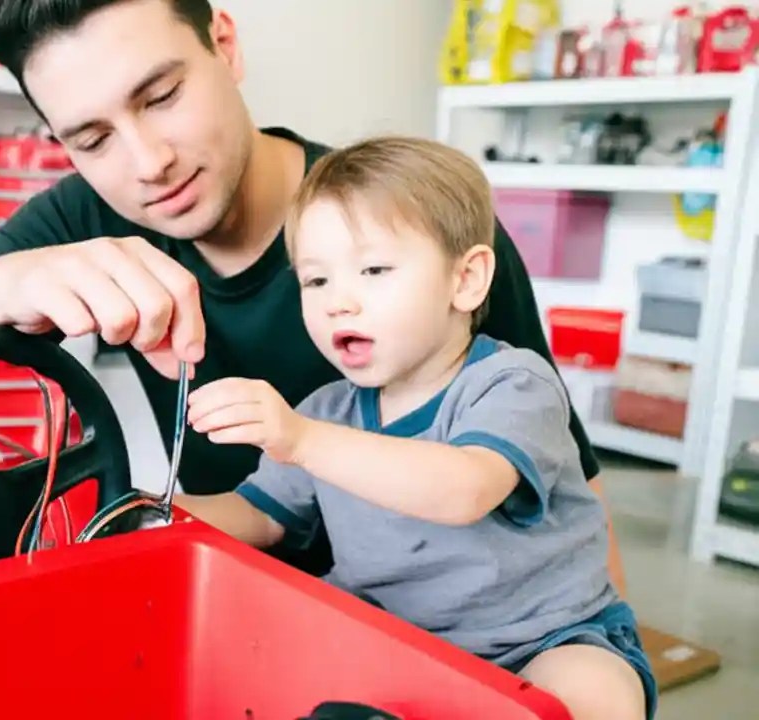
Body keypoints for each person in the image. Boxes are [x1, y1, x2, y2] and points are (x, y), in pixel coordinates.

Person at [0, 0, 625, 585]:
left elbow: (571, 486)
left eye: (161, 96)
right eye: (91, 139)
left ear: (224, 45)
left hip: (462, 612)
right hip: (246, 592)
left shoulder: (411, 236)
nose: (147, 161)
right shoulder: (90, 215)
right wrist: (5, 280)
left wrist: (593, 651)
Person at [175, 135, 656, 720]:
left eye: (374, 269)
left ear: (467, 280)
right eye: (316, 280)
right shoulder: (327, 412)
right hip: (394, 645)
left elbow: (462, 489)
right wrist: (152, 512)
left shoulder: (510, 384)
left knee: (596, 695)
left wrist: (299, 441)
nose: (337, 303)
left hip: (544, 638)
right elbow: (259, 516)